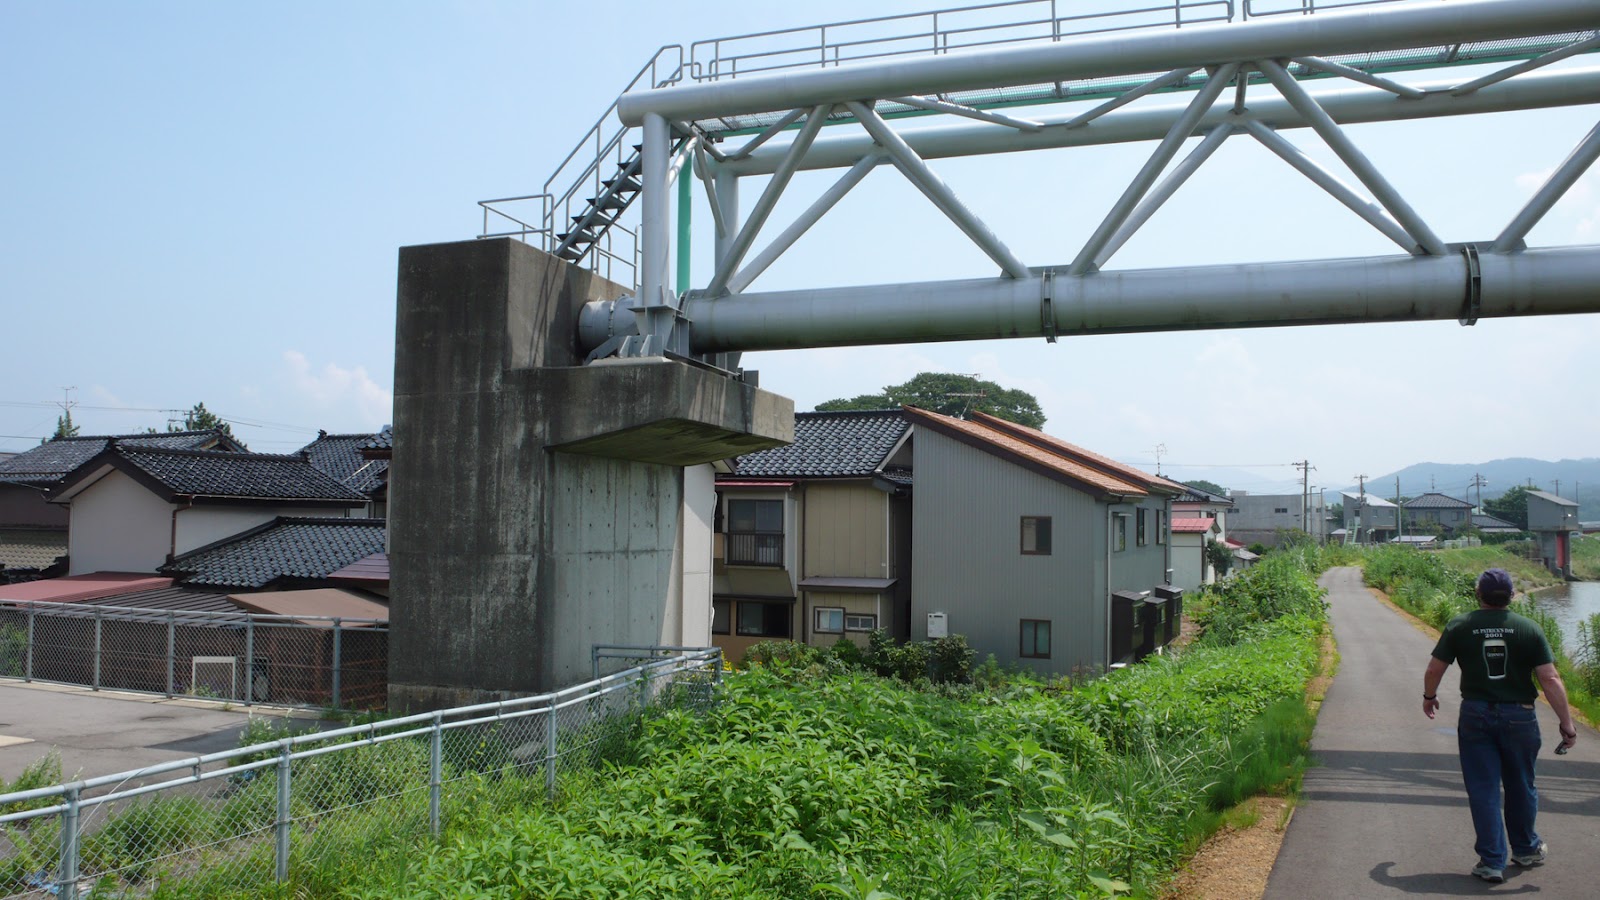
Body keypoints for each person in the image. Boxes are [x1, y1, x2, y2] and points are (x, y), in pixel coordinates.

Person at [1422, 567, 1577, 884]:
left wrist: (1429, 696)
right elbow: (1549, 678)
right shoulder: (1528, 628)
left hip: (1476, 714)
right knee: (1521, 784)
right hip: (1519, 715)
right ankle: (1525, 849)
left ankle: (1492, 861)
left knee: (1484, 788)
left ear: (1478, 594)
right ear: (1512, 596)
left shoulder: (1460, 626)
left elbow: (1434, 668)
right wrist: (1567, 724)